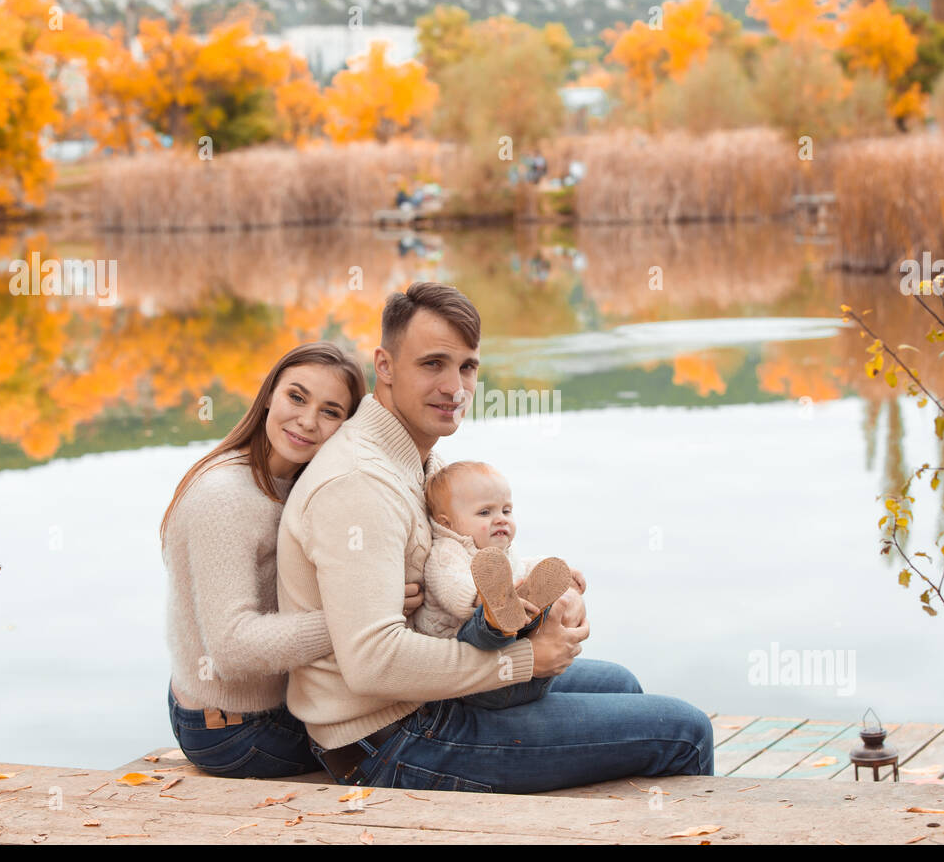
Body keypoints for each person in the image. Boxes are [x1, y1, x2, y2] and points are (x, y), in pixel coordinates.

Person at [277, 282, 715, 793]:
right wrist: (525, 659)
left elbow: (469, 565)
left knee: (619, 683)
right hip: (386, 738)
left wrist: (550, 603)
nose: (454, 387)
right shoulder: (358, 483)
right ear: (386, 366)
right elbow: (373, 664)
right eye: (433, 364)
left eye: (467, 367)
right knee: (686, 731)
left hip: (423, 698)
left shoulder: (417, 457)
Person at [160, 341, 425, 777]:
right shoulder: (223, 497)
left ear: (347, 426)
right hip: (232, 729)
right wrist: (366, 614)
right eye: (296, 397)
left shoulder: (303, 484)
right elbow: (232, 648)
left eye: (331, 411)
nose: (307, 420)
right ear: (268, 396)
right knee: (411, 731)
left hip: (265, 706)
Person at [416, 459, 576, 710]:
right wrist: (485, 599)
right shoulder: (446, 553)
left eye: (506, 510)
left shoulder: (500, 549)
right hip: (471, 679)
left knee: (530, 602)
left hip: (518, 673)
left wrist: (556, 573)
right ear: (447, 523)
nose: (500, 519)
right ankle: (498, 616)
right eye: (485, 512)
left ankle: (526, 611)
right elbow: (452, 588)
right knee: (487, 615)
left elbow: (519, 568)